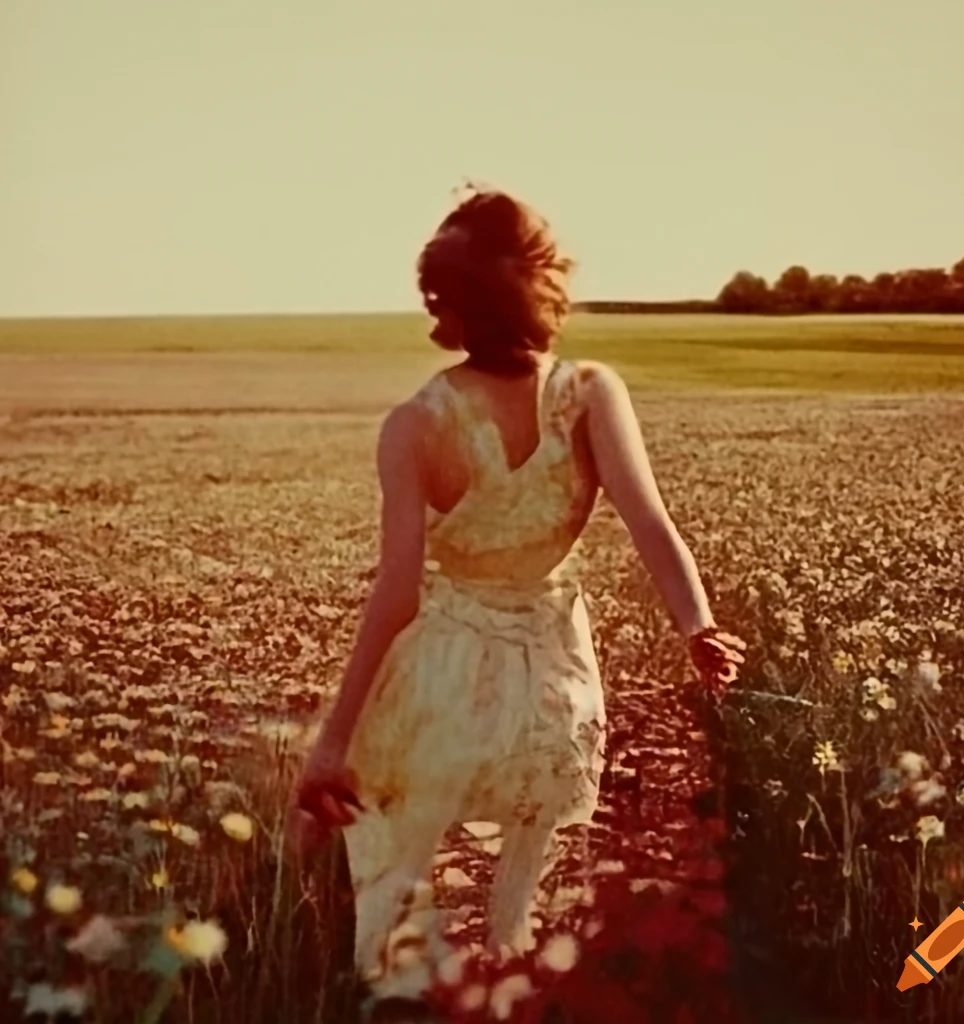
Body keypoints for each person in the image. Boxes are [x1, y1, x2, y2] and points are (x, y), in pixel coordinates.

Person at [289, 184, 745, 979]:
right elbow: (649, 521)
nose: (432, 321)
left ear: (467, 305)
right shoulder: (591, 392)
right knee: (528, 846)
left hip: (445, 667)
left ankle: (377, 984)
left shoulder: (415, 423)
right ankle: (507, 966)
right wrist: (695, 626)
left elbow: (397, 592)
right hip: (553, 671)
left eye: (439, 300)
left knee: (404, 848)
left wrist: (335, 738)